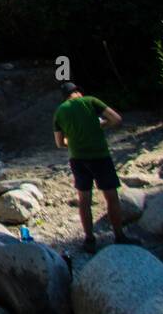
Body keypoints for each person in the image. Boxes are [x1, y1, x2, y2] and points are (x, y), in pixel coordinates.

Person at [53, 82, 132, 252]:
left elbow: (60, 143)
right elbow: (116, 119)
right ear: (78, 92)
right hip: (100, 156)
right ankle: (119, 235)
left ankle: (89, 240)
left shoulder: (60, 111)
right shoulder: (90, 101)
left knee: (84, 200)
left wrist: (72, 139)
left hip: (78, 159)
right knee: (111, 196)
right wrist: (100, 125)